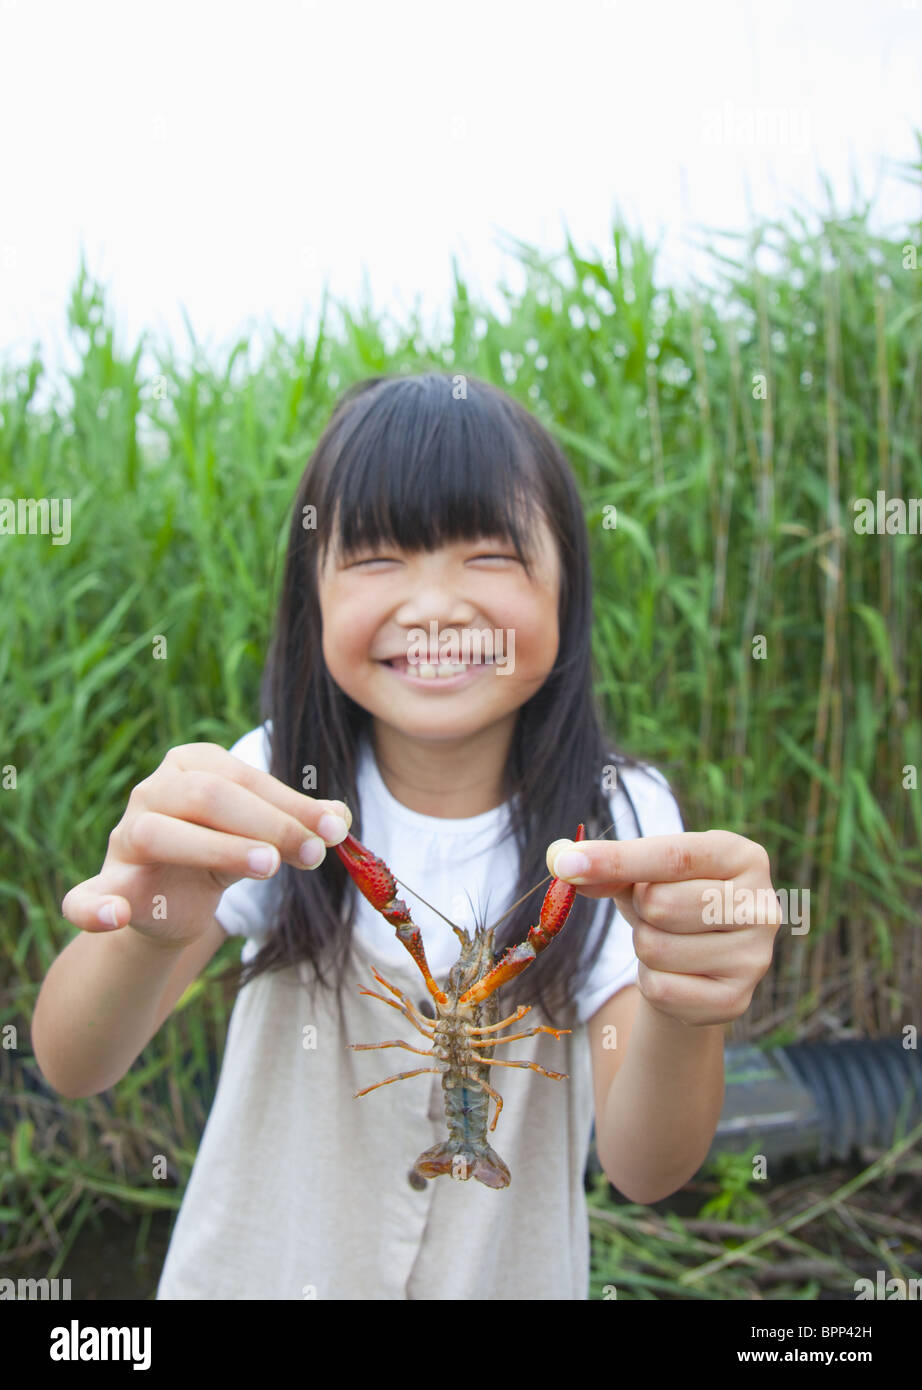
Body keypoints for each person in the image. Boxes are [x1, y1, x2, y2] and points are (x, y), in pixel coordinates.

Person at [33, 372, 781, 1299]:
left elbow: (647, 1169)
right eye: (379, 558)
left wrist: (683, 1004)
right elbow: (72, 1064)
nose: (434, 606)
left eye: (491, 555)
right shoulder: (268, 786)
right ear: (311, 595)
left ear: (568, 588)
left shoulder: (623, 825)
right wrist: (148, 924)